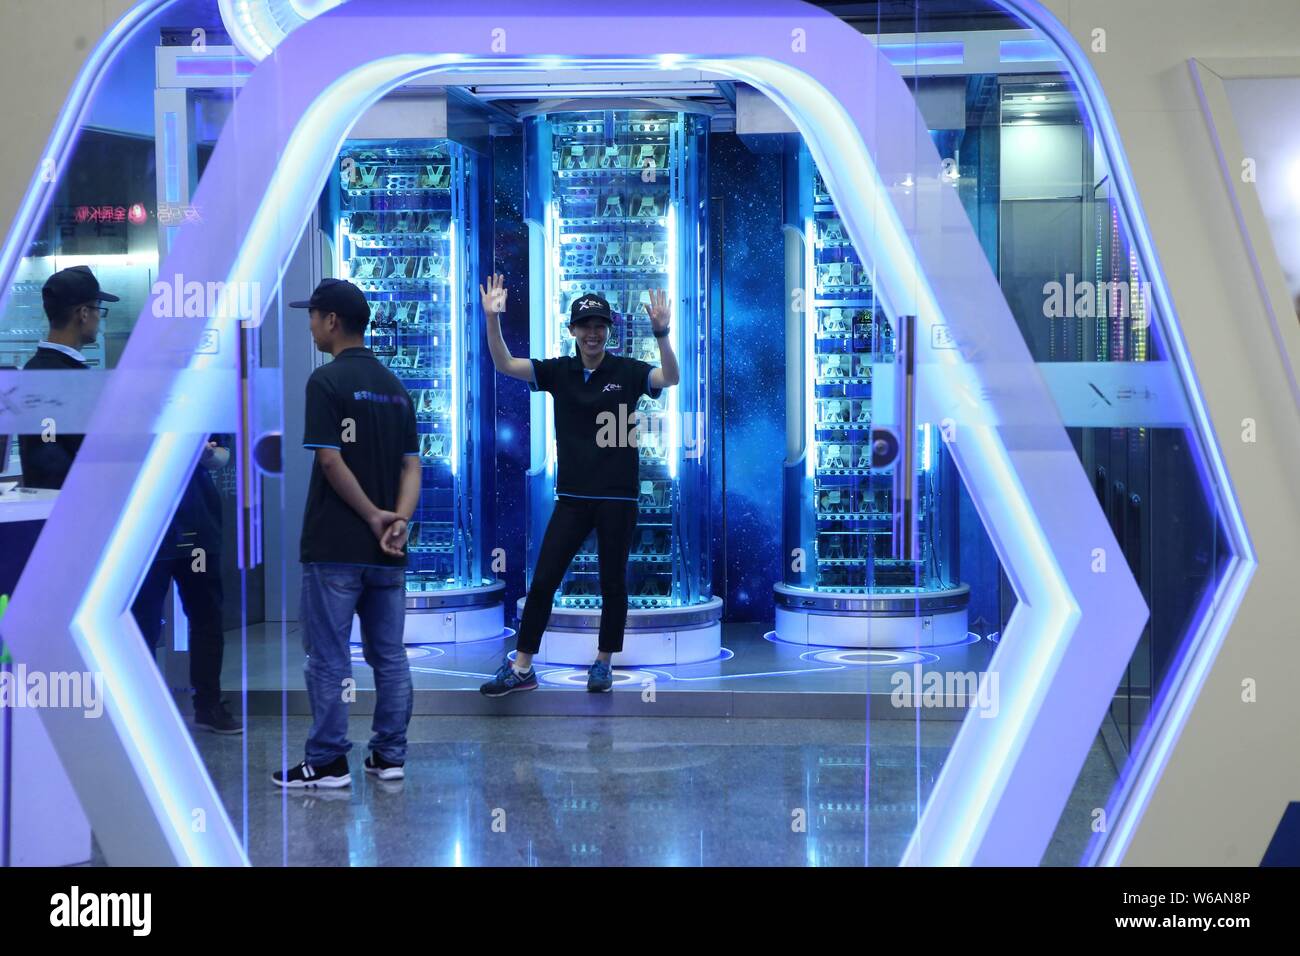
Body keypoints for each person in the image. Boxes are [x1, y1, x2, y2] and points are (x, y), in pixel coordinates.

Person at [477, 275, 679, 696]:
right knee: (545, 579)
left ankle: (603, 662)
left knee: (612, 584)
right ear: (572, 330)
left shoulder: (626, 370)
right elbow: (504, 364)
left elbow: (670, 377)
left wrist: (661, 334)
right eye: (585, 325)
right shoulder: (558, 371)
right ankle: (522, 667)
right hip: (572, 498)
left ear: (609, 330)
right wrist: (492, 321)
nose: (593, 333)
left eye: (600, 325)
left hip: (618, 498)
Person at [273, 279, 421, 789]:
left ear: (332, 319)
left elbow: (331, 463)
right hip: (388, 554)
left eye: (312, 315)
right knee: (390, 656)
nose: (310, 325)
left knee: (329, 655)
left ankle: (329, 760)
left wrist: (371, 515)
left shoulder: (326, 383)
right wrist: (396, 520)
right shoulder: (397, 388)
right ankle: (389, 756)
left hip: (335, 545)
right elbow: (412, 468)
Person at [130, 435, 241, 734]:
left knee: (207, 618)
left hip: (199, 527)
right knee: (144, 624)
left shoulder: (200, 399)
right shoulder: (134, 401)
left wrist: (204, 452)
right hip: (147, 530)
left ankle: (208, 705)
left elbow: (222, 456)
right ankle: (144, 710)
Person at [18, 265, 116, 489]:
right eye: (98, 309)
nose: (99, 318)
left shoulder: (36, 370)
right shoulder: (67, 378)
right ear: (83, 314)